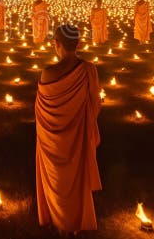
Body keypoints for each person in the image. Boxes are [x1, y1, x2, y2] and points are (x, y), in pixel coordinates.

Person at [35, 24, 102, 234]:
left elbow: (40, 111)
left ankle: (59, 221)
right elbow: (95, 106)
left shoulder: (47, 73)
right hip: (78, 140)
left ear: (56, 44)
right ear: (78, 43)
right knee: (77, 179)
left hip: (51, 143)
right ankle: (75, 223)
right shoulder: (89, 70)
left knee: (56, 179)